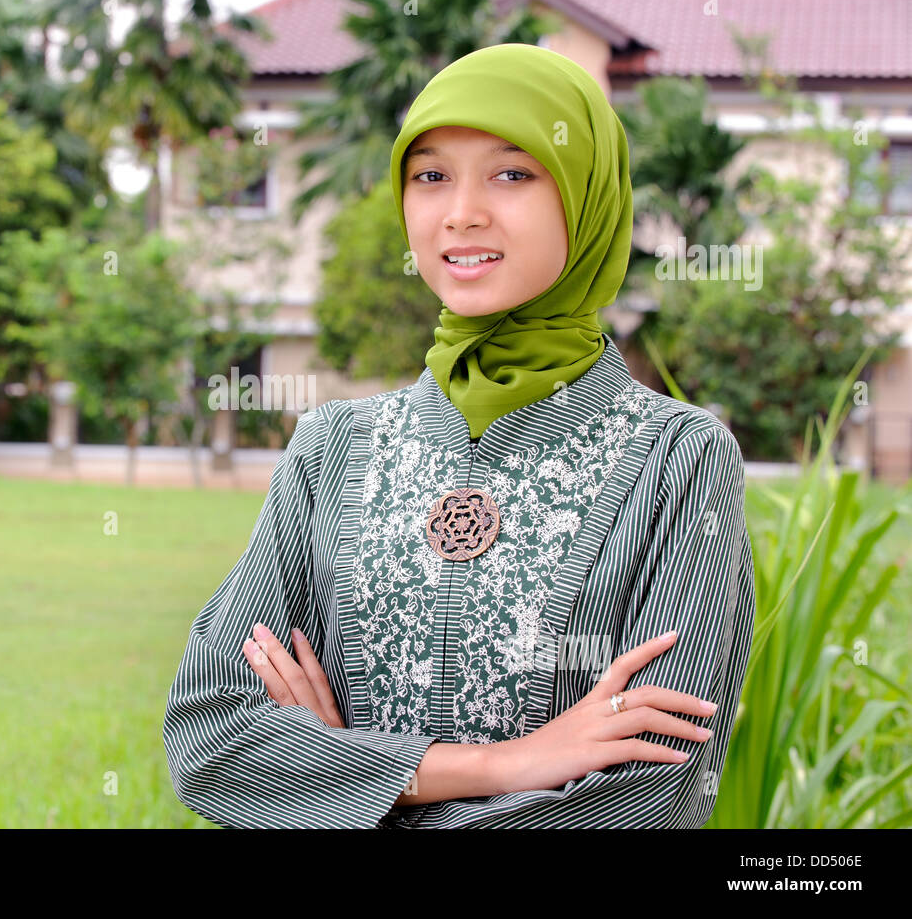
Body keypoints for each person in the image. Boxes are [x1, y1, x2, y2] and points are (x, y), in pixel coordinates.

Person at [162, 43, 755, 828]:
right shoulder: (332, 447)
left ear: (587, 199)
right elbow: (210, 738)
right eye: (431, 175)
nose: (461, 211)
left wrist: (346, 780)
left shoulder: (681, 460)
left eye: (513, 173)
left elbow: (645, 800)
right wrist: (501, 763)